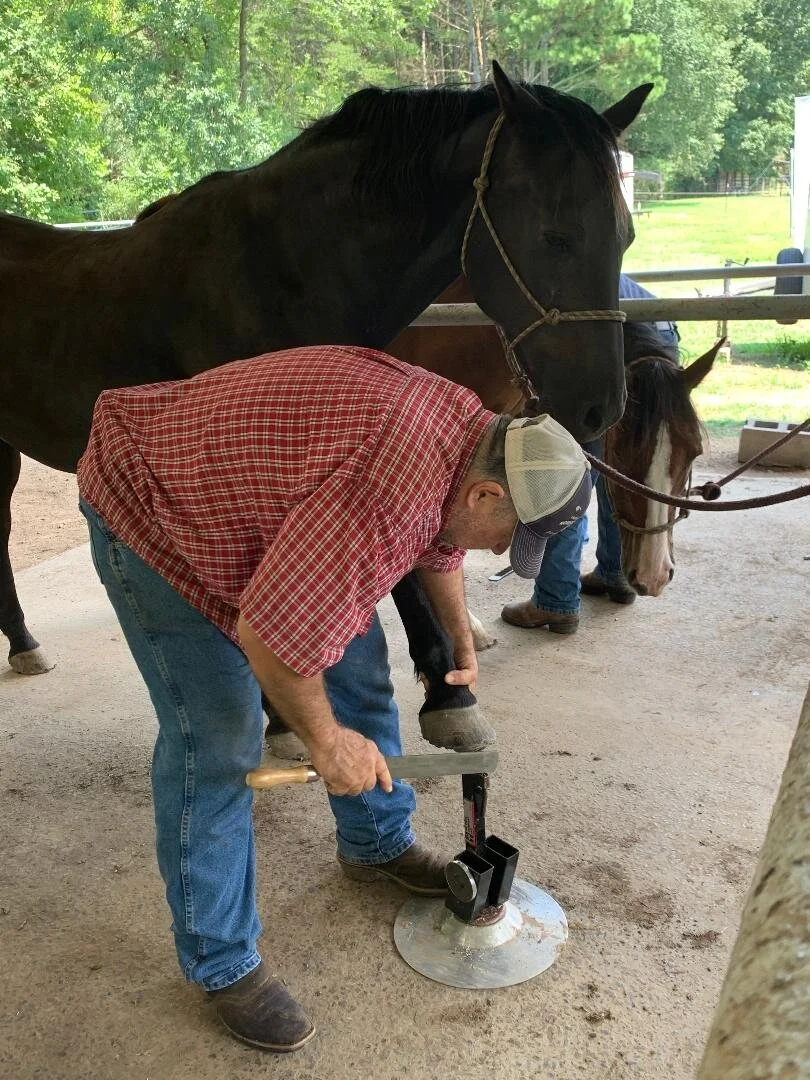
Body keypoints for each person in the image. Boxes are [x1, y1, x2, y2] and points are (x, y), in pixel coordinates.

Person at [76, 344, 591, 1053]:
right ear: (487, 495)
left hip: (262, 502)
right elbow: (271, 633)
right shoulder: (387, 493)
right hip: (153, 503)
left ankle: (376, 843)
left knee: (358, 668)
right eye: (509, 537)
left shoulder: (473, 435)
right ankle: (222, 962)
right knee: (218, 742)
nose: (501, 551)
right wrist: (325, 743)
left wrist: (453, 637)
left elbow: (442, 539)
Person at [501, 274, 680, 634]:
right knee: (620, 473)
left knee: (572, 480)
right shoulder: (614, 279)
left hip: (614, 357)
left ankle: (556, 602)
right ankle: (616, 575)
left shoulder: (560, 282)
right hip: (662, 346)